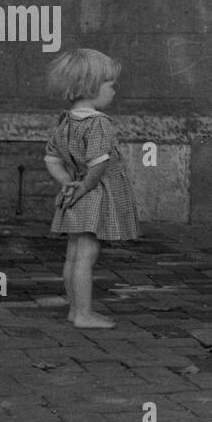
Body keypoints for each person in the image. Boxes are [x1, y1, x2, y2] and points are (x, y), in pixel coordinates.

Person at [44, 49, 139, 330]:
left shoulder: (65, 121)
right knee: (87, 255)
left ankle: (75, 309)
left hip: (74, 195)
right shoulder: (98, 123)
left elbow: (51, 159)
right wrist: (85, 185)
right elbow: (99, 163)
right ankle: (84, 313)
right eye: (110, 84)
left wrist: (67, 183)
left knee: (73, 254)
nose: (113, 90)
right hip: (94, 195)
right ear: (90, 87)